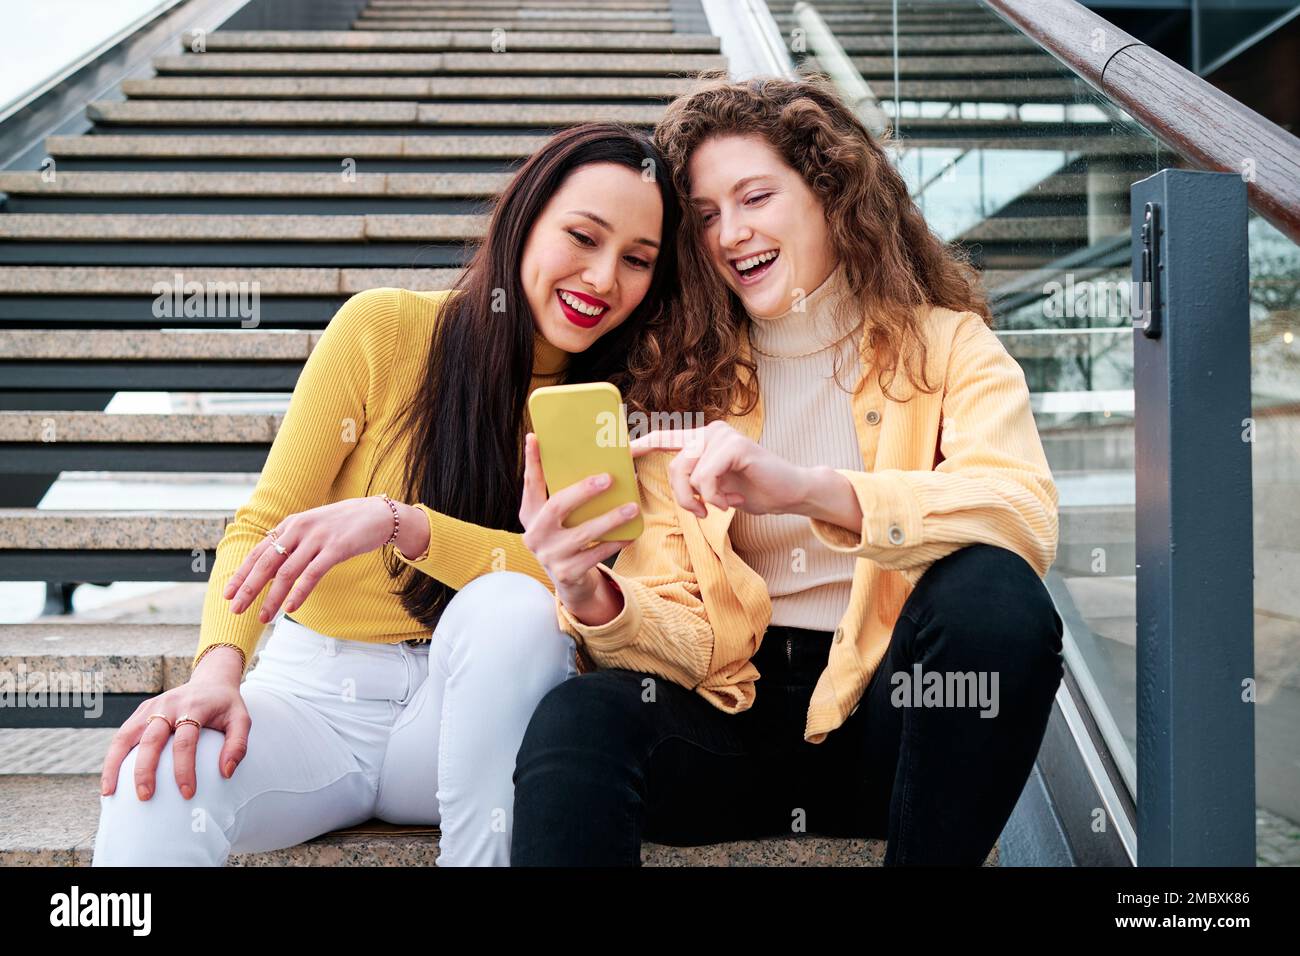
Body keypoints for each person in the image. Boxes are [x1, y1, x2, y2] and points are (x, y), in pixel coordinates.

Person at [92, 122, 682, 867]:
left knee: (514, 608)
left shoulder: (614, 406)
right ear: (525, 220)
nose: (603, 279)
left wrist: (404, 525)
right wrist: (218, 672)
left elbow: (582, 583)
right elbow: (264, 523)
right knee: (156, 778)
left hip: (472, 713)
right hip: (310, 701)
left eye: (637, 260)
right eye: (583, 237)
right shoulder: (385, 328)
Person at [511, 76, 1066, 866]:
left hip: (890, 715)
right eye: (705, 216)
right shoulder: (680, 378)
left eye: (755, 197)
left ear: (832, 192)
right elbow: (684, 628)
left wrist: (807, 490)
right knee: (580, 716)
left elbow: (1020, 513)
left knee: (996, 593)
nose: (730, 233)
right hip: (725, 714)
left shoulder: (950, 347)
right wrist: (591, 597)